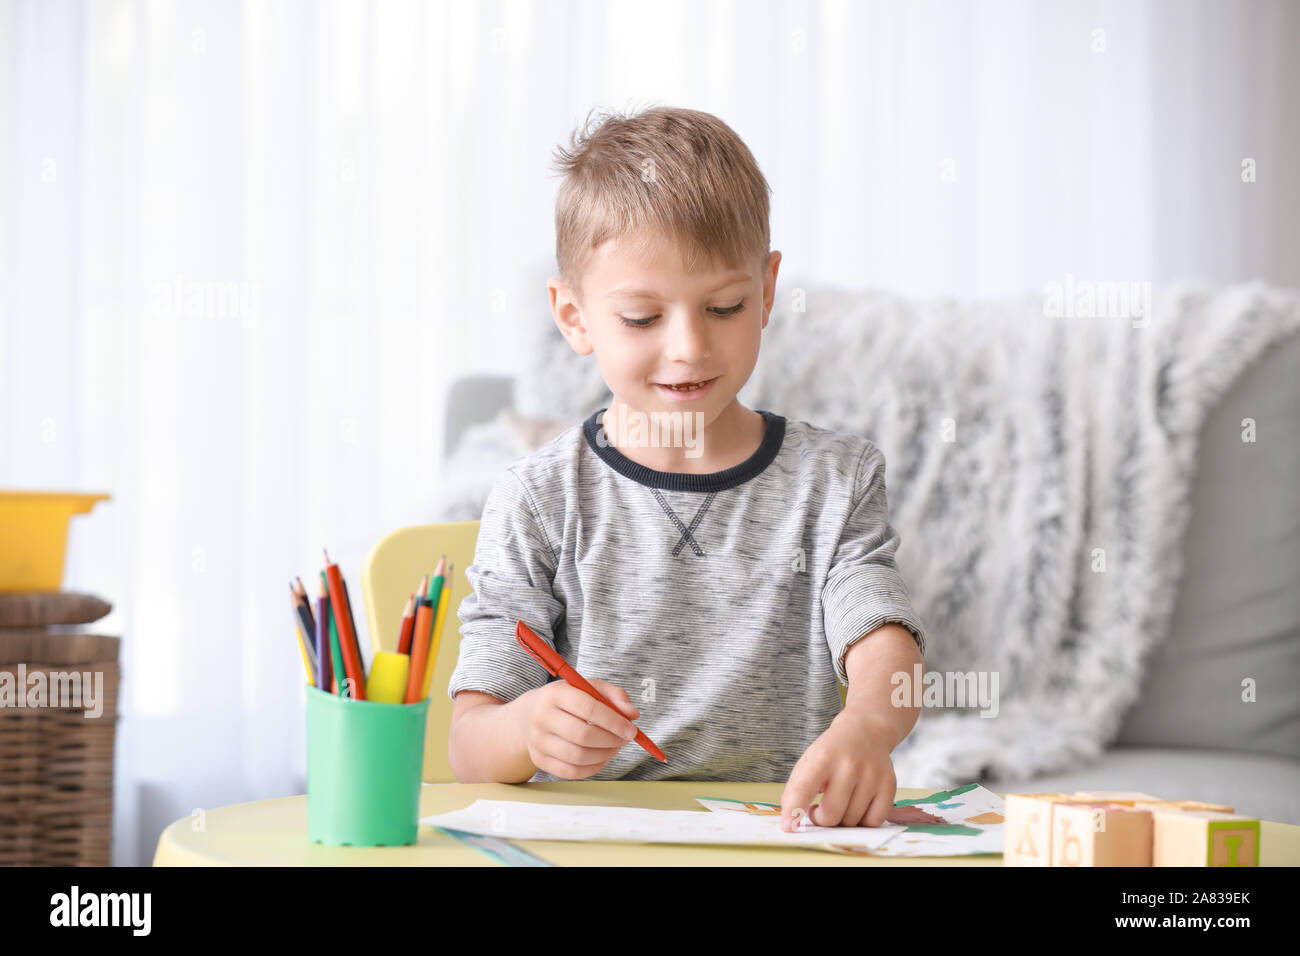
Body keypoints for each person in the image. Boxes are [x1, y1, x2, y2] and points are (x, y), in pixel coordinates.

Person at [446, 105, 927, 832]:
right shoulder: (537, 498)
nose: (689, 347)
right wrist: (528, 729)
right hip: (599, 844)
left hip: (781, 837)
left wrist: (869, 725)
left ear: (766, 290)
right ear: (573, 317)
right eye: (642, 319)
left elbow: (880, 634)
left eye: (724, 306)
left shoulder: (837, 480)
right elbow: (469, 744)